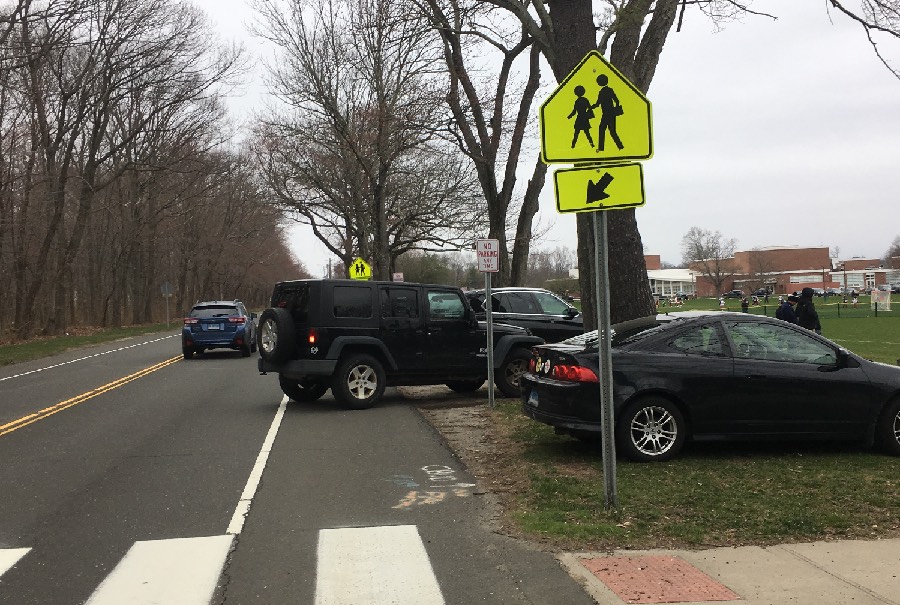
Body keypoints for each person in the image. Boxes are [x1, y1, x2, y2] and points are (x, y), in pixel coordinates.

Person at [591, 74, 624, 151]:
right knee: (610, 131)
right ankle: (620, 147)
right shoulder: (609, 90)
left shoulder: (602, 92)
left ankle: (603, 148)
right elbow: (616, 101)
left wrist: (591, 107)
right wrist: (615, 109)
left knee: (603, 129)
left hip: (607, 114)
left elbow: (597, 103)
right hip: (610, 113)